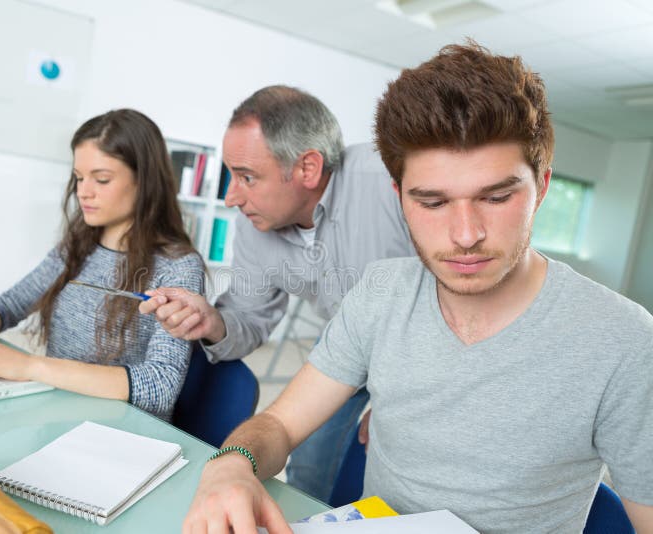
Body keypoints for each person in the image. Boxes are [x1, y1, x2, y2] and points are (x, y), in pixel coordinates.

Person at [181, 43, 653, 534]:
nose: (465, 234)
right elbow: (278, 425)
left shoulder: (624, 340)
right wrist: (232, 463)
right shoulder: (379, 292)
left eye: (496, 197)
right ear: (400, 197)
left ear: (542, 188)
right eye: (432, 203)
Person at [140, 85, 415, 500]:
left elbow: (456, 289)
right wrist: (212, 322)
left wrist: (405, 395)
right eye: (231, 176)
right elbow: (248, 318)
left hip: (424, 339)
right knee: (309, 460)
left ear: (308, 168)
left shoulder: (390, 176)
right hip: (347, 337)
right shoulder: (254, 225)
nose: (231, 198)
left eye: (247, 177)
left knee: (399, 456)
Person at [0, 109, 204, 421]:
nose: (84, 192)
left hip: (124, 432)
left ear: (145, 181)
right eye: (79, 178)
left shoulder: (178, 267)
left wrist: (30, 366)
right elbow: (12, 304)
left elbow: (160, 385)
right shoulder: (79, 245)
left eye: (102, 179)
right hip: (57, 416)